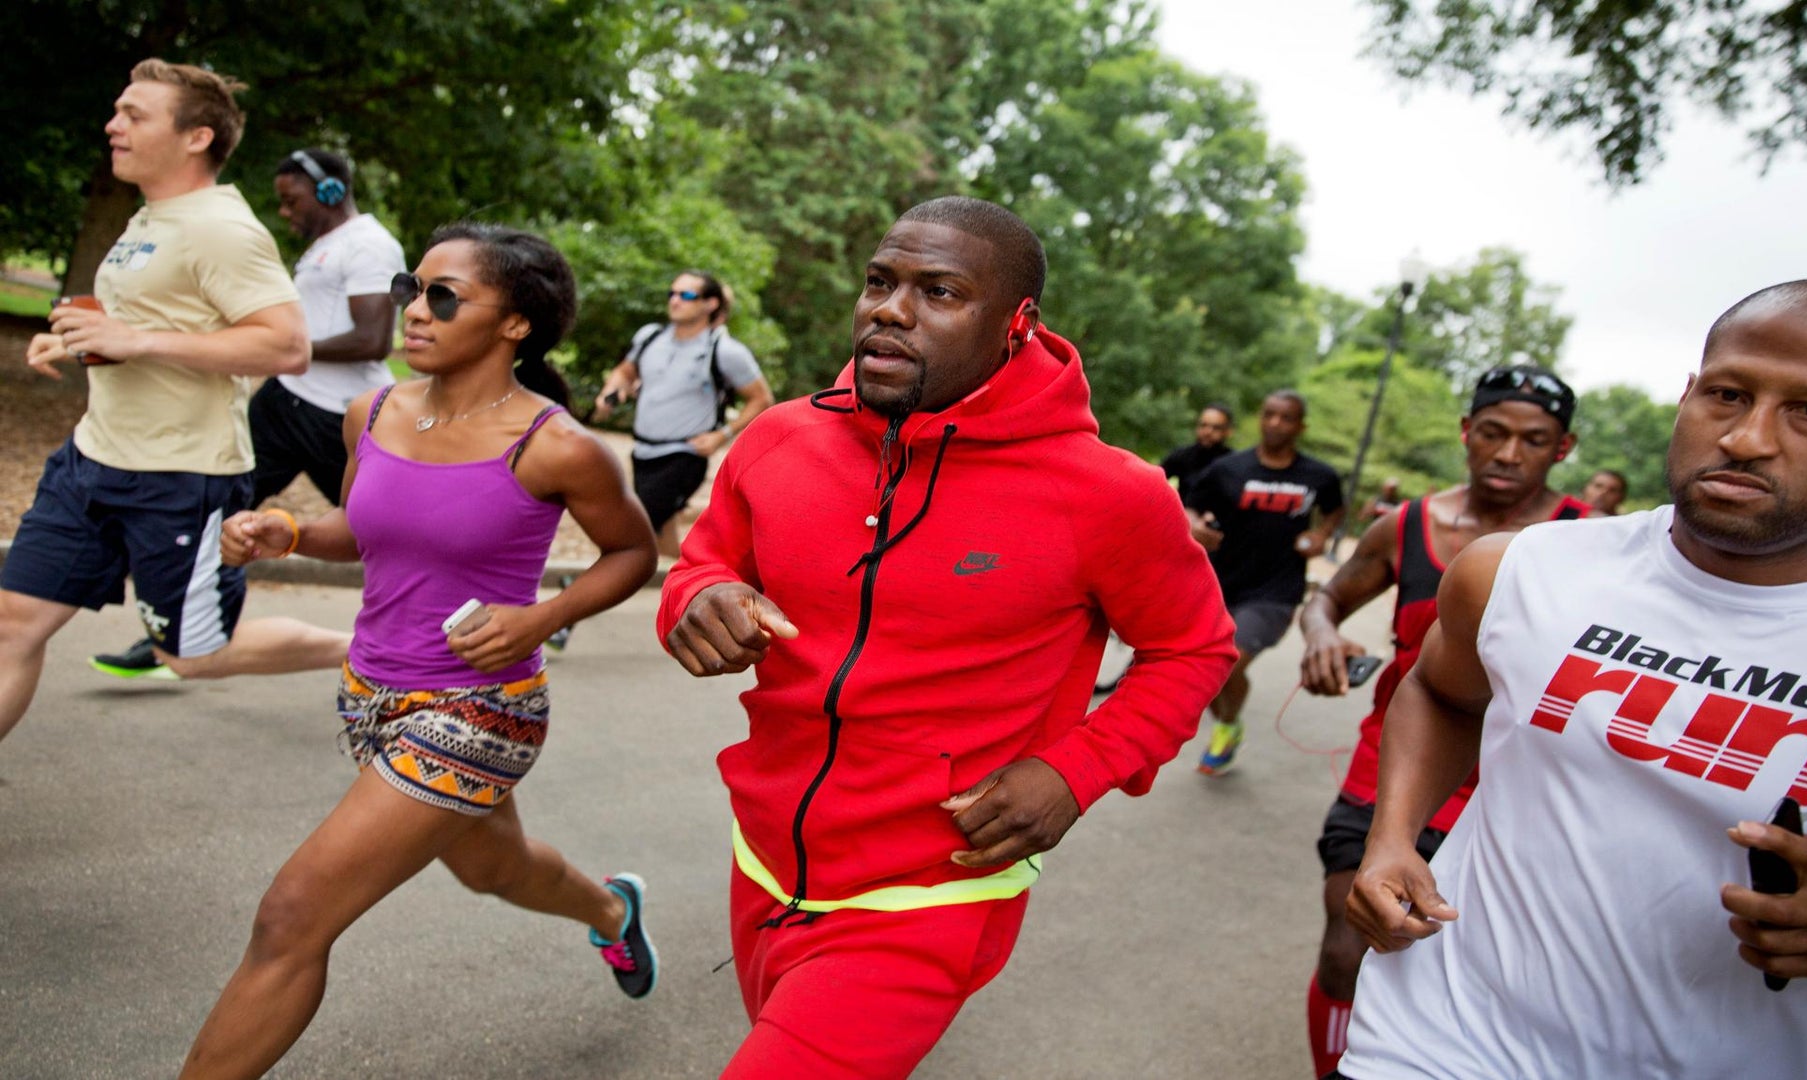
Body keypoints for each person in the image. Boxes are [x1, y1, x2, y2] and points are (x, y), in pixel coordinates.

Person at [657, 195, 1236, 1079]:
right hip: (763, 859)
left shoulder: (1109, 494)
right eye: (880, 283)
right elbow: (702, 564)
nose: (891, 310)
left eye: (939, 291)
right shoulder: (780, 440)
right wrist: (696, 598)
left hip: (933, 891)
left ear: (1016, 323)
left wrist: (1075, 771)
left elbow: (1193, 649)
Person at [1341, 278, 1807, 1079]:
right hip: (1441, 1041)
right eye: (1726, 393)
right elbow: (1441, 693)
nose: (1747, 438)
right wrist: (1394, 836)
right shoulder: (1520, 570)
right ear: (1687, 395)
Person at [179, 224, 659, 1079]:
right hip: (370, 695)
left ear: (515, 324)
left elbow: (633, 555)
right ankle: (615, 913)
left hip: (480, 709)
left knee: (291, 918)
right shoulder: (376, 411)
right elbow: (361, 534)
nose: (415, 312)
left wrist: (539, 619)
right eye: (412, 288)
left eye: (444, 296)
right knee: (495, 869)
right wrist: (286, 528)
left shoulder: (555, 445)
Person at [4, 59, 343, 742]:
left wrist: (135, 339)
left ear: (196, 138)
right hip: (93, 458)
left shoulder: (222, 229)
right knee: (14, 623)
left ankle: (375, 649)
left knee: (192, 657)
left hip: (182, 478)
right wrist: (80, 338)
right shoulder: (153, 215)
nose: (113, 124)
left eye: (135, 114)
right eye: (117, 110)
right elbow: (158, 319)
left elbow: (286, 346)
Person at [1294, 364, 1587, 1079]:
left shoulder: (1586, 545)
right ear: (1466, 432)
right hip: (1393, 767)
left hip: (1512, 790)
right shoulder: (1410, 525)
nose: (1508, 454)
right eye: (1492, 433)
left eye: (1533, 439)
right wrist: (1323, 636)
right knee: (1347, 943)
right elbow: (1324, 600)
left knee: (1466, 959)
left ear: (1563, 447)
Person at [89, 146, 405, 680]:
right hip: (284, 403)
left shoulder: (372, 245)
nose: (285, 212)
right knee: (214, 508)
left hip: (337, 417)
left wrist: (285, 344)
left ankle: (425, 639)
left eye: (292, 199)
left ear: (331, 190)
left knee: (381, 533)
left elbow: (372, 340)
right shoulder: (327, 245)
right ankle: (178, 633)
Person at [1182, 390, 1346, 775]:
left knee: (1230, 662)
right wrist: (1193, 524)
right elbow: (1190, 503)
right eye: (1270, 415)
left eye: (1286, 418)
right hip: (1221, 585)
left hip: (1276, 592)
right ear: (1260, 418)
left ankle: (1225, 727)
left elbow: (1335, 509)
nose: (1276, 423)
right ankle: (1227, 722)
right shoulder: (1229, 469)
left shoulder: (1318, 475)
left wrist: (1321, 534)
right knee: (1208, 671)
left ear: (1300, 426)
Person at [592, 270, 775, 557]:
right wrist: (611, 391)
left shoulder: (726, 351)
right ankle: (676, 586)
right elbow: (625, 371)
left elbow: (761, 399)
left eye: (687, 295)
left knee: (633, 529)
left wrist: (721, 436)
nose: (676, 301)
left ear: (711, 304)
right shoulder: (649, 336)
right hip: (643, 452)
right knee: (661, 532)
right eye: (672, 294)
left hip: (684, 455)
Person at [1160, 402, 1234, 492]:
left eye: (1216, 427)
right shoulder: (1182, 456)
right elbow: (1155, 481)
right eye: (1203, 425)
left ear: (1228, 431)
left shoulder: (1234, 463)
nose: (1208, 432)